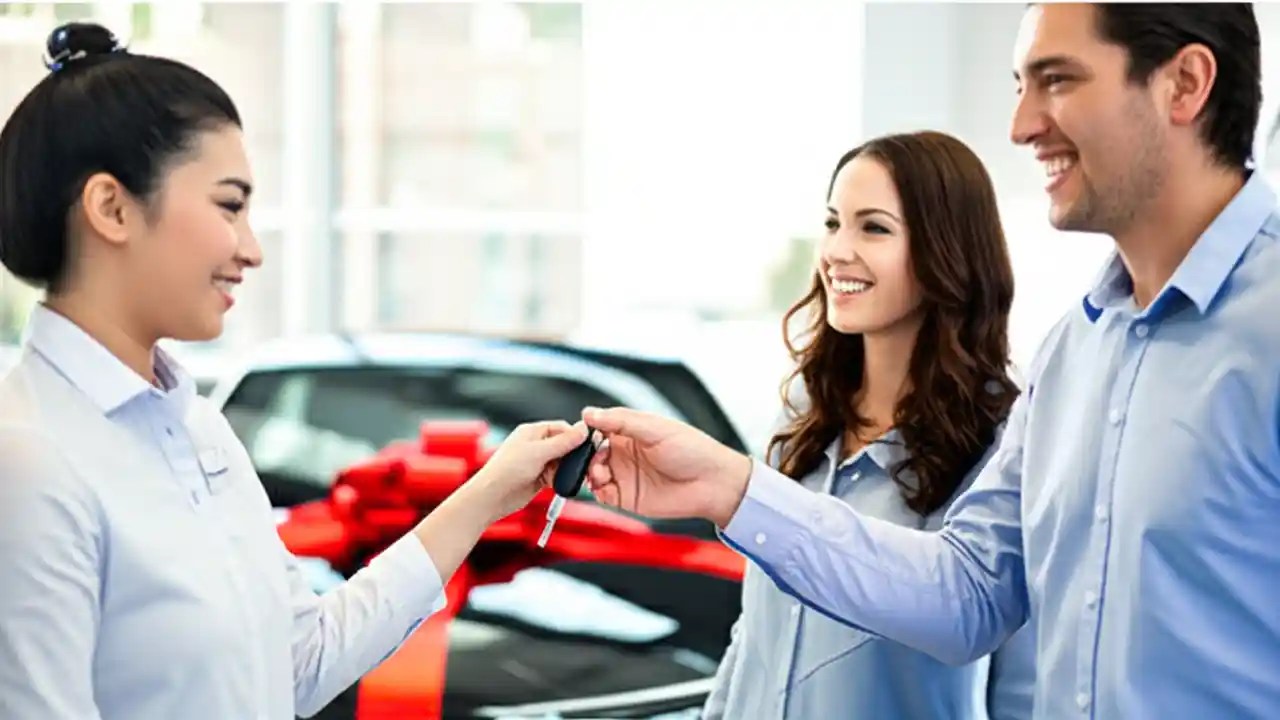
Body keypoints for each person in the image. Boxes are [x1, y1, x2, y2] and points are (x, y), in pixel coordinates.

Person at [581, 4, 1279, 718]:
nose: (1021, 126)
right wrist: (730, 487)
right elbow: (968, 592)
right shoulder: (1073, 353)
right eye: (1020, 86)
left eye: (1058, 80)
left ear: (1183, 84)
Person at [0, 23, 587, 720]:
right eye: (229, 205)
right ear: (112, 207)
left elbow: (301, 662)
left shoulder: (194, 428)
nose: (251, 249)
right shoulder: (29, 461)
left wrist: (488, 494)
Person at [699, 130, 1033, 719]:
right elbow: (753, 638)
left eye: (873, 228)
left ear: (946, 249)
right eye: (833, 223)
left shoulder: (1003, 439)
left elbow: (1022, 685)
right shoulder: (804, 409)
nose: (836, 251)